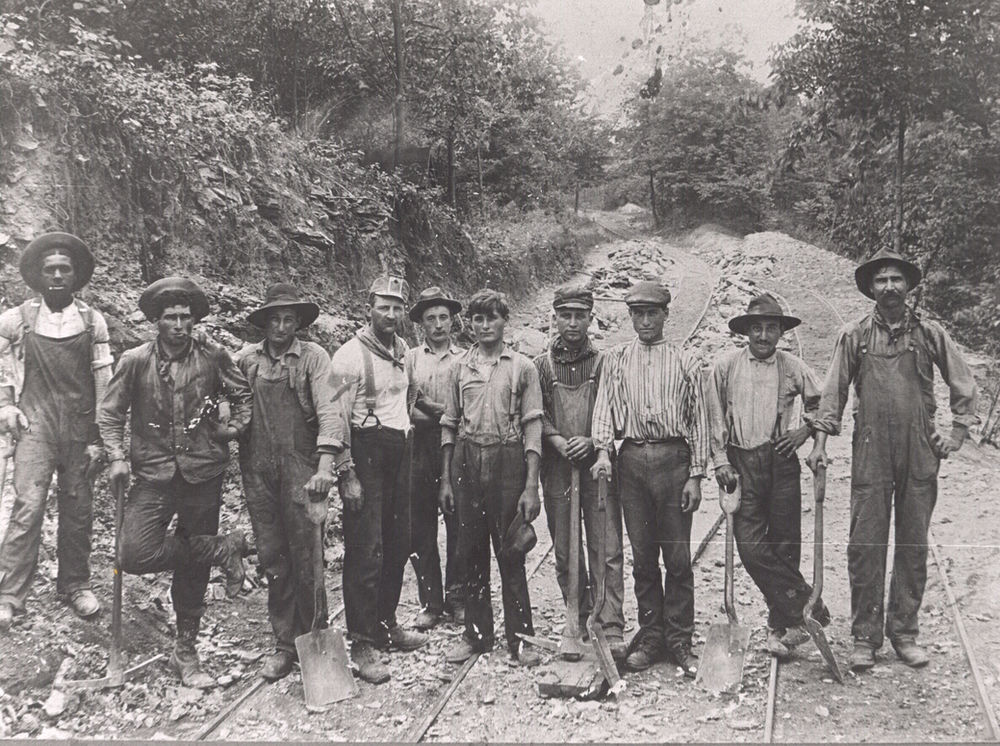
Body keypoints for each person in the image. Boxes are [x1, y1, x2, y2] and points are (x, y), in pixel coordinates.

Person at [807, 249, 979, 672]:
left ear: (907, 285)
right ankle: (865, 637)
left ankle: (905, 632)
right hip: (871, 447)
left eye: (896, 279)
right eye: (881, 280)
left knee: (913, 541)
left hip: (919, 447)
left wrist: (956, 433)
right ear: (871, 289)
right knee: (865, 543)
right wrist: (820, 443)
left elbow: (962, 380)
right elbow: (834, 392)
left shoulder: (928, 332)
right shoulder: (855, 335)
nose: (889, 287)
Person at [99, 277, 252, 688]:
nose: (180, 325)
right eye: (171, 317)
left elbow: (243, 394)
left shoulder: (213, 355)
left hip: (203, 470)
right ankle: (224, 547)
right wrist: (116, 456)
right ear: (157, 321)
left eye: (186, 317)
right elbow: (110, 413)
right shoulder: (134, 360)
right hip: (153, 473)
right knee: (131, 551)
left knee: (192, 567)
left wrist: (234, 428)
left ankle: (186, 651)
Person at [591, 280, 709, 677]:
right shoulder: (616, 359)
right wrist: (605, 452)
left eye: (652, 313)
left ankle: (679, 640)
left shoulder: (685, 360)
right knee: (642, 557)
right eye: (638, 314)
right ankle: (652, 636)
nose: (645, 321)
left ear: (665, 315)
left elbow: (699, 421)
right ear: (631, 317)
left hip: (673, 459)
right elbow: (605, 409)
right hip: (633, 460)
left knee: (676, 557)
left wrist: (696, 475)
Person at [708, 293, 830, 659]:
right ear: (746, 331)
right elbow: (713, 417)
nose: (763, 335)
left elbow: (823, 402)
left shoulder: (792, 366)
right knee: (750, 546)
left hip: (780, 460)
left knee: (784, 544)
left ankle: (781, 627)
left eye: (771, 328)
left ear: (781, 332)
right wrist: (719, 461)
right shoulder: (725, 366)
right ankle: (810, 607)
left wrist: (804, 432)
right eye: (757, 328)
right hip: (740, 461)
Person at [0, 233, 111, 631]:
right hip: (36, 424)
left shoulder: (91, 320)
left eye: (66, 269)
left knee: (78, 507)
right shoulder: (17, 320)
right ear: (39, 275)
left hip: (80, 425)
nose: (59, 275)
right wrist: (6, 406)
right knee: (28, 507)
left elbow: (105, 382)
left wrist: (102, 436)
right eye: (51, 270)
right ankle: (11, 595)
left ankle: (75, 585)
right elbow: (3, 371)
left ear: (77, 274)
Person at [235, 284, 345, 681]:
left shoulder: (314, 358)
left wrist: (325, 466)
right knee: (272, 555)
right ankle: (285, 643)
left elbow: (331, 410)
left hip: (302, 468)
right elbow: (222, 390)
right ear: (264, 323)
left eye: (289, 320)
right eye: (274, 319)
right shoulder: (247, 360)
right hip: (258, 470)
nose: (281, 327)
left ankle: (317, 636)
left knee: (308, 556)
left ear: (298, 324)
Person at [328, 275, 428, 685]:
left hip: (400, 449)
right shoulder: (346, 357)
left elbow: (407, 402)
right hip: (365, 454)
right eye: (383, 306)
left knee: (398, 542)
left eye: (397, 307)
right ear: (368, 307)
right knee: (366, 549)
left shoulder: (402, 351)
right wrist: (345, 472)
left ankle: (386, 624)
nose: (390, 314)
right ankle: (362, 642)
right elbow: (333, 415)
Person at [439, 289, 544, 667]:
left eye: (492, 318)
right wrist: (447, 479)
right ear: (470, 324)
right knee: (470, 551)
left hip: (507, 460)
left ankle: (521, 638)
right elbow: (449, 425)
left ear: (505, 321)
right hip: (467, 460)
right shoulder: (459, 368)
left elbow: (533, 425)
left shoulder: (522, 367)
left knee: (511, 550)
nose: (485, 326)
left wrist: (531, 485)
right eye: (478, 319)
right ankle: (477, 635)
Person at [533, 285, 626, 662]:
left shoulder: (605, 364)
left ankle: (611, 621)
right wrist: (556, 440)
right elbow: (535, 414)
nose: (572, 323)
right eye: (565, 315)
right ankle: (579, 617)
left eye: (580, 315)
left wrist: (592, 440)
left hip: (598, 464)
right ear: (555, 318)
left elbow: (618, 411)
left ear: (591, 318)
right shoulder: (541, 366)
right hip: (557, 466)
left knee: (606, 545)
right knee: (565, 548)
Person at [405, 287, 465, 630]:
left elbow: (469, 406)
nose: (439, 324)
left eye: (444, 317)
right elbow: (405, 405)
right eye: (431, 319)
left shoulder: (464, 357)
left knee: (458, 523)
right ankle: (431, 602)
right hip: (419, 447)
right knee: (419, 527)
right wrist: (440, 415)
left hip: (456, 448)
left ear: (452, 321)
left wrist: (446, 419)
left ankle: (458, 598)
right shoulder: (410, 359)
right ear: (421, 325)